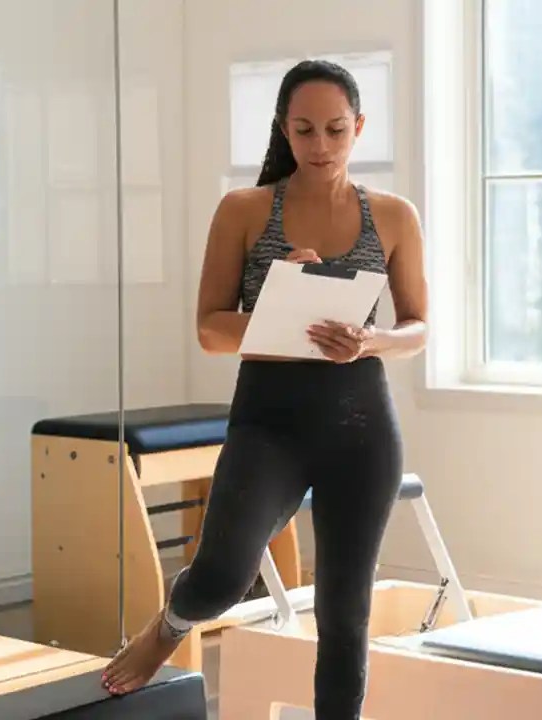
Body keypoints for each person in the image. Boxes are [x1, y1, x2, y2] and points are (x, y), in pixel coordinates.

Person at [100, 59, 428, 719]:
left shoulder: (392, 216)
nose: (321, 145)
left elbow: (418, 326)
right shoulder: (246, 210)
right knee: (221, 578)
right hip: (269, 424)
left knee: (344, 612)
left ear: (359, 128)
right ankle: (169, 626)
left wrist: (375, 341)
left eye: (336, 130)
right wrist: (279, 298)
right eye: (305, 130)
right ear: (284, 128)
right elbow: (210, 330)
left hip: (361, 429)